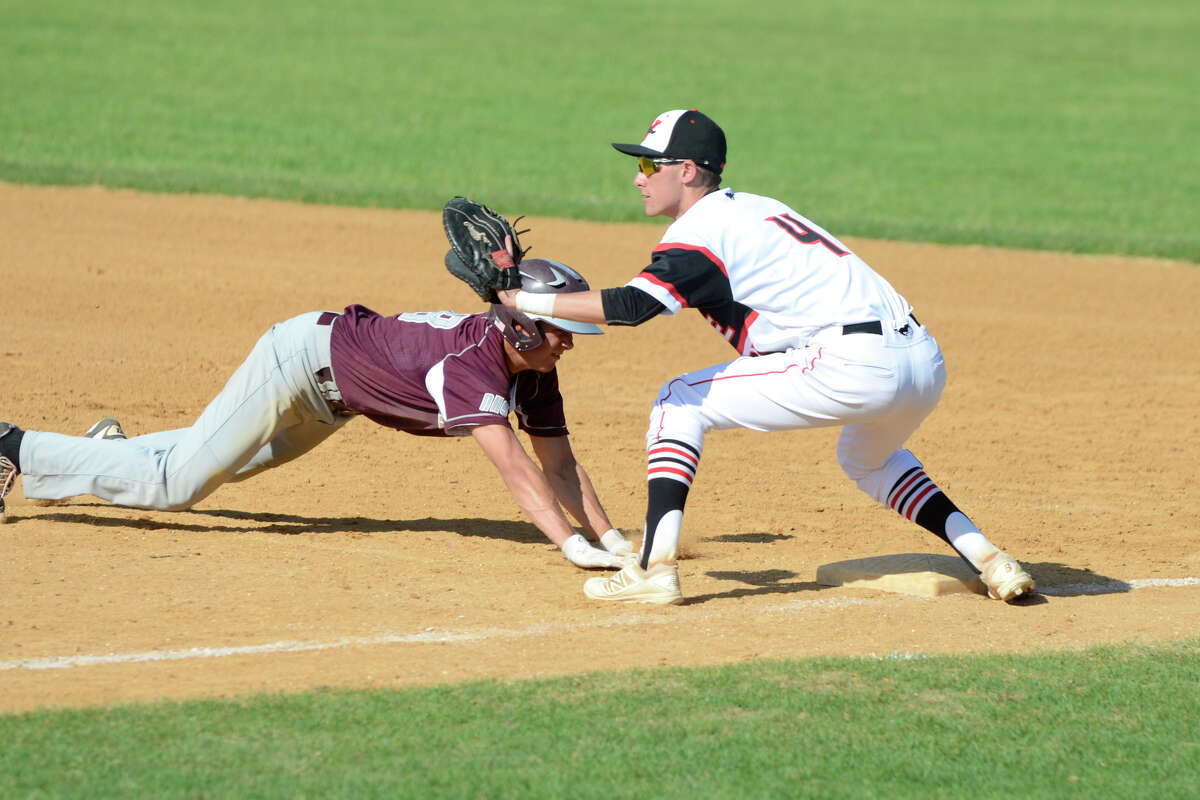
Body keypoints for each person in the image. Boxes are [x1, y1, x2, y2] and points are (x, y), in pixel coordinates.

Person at [497, 109, 1036, 604]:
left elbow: (633, 306)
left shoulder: (699, 228)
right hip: (921, 360)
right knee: (867, 460)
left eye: (648, 163)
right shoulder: (756, 211)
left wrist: (520, 298)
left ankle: (653, 570)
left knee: (677, 402)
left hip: (852, 361)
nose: (638, 177)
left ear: (686, 171)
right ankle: (991, 559)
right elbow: (765, 342)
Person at [0, 259, 634, 570]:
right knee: (177, 484)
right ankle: (13, 447)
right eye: (559, 330)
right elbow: (519, 472)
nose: (569, 341)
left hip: (331, 401)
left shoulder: (535, 372)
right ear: (521, 328)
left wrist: (612, 540)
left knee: (210, 462)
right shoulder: (473, 366)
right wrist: (571, 547)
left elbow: (560, 464)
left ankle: (108, 450)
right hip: (296, 365)